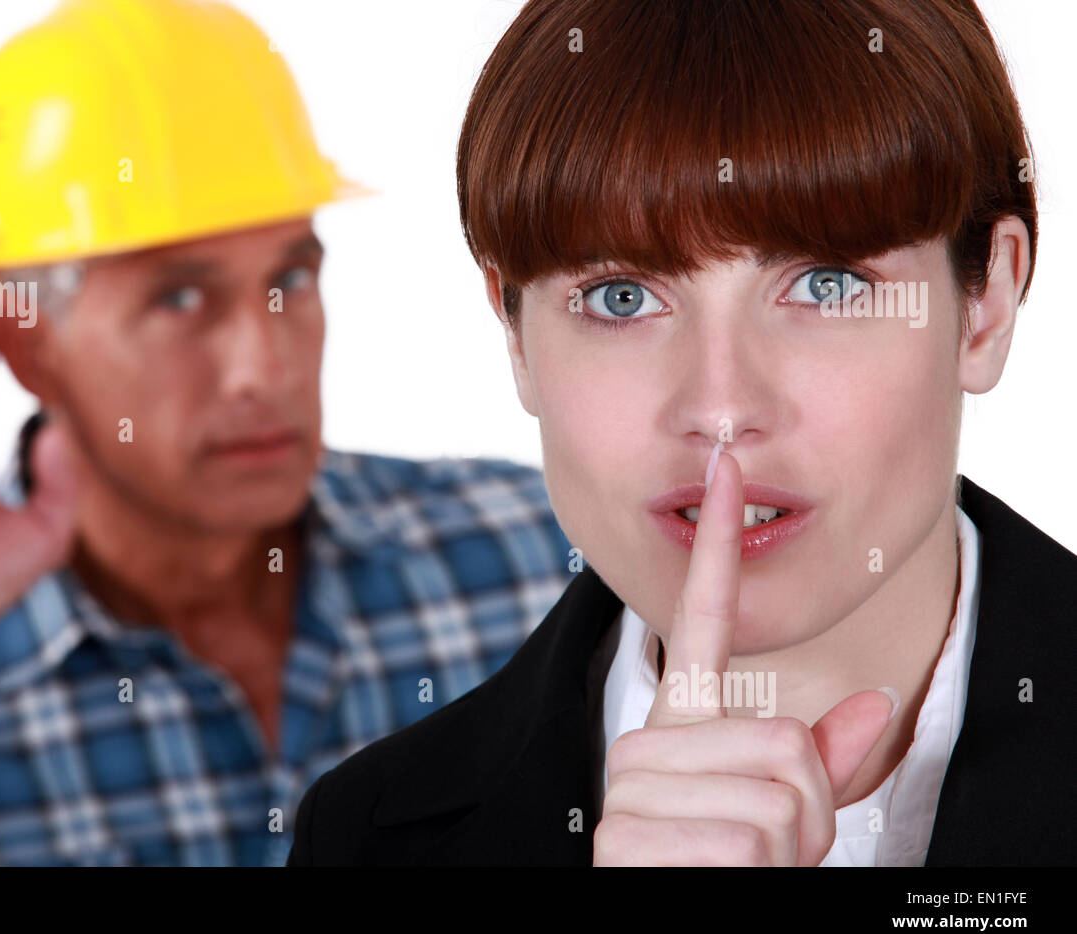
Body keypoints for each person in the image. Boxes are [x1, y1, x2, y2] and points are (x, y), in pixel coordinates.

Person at [0, 0, 573, 866]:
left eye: (289, 279)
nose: (263, 368)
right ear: (24, 339)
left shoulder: (544, 552)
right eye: (181, 298)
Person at [289, 0, 1077, 866]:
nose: (722, 407)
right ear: (515, 336)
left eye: (825, 285)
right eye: (621, 297)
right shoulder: (364, 838)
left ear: (985, 306)